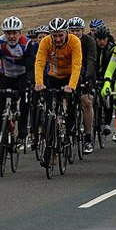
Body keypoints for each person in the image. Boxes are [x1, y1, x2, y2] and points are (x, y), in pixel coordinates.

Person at [0, 16, 37, 164]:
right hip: (6, 76)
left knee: (25, 98)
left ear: (20, 32)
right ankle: (1, 146)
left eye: (15, 33)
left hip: (22, 76)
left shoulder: (26, 44)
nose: (12, 36)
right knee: (1, 111)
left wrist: (29, 82)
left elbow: (30, 66)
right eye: (8, 33)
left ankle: (22, 128)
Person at [34, 17, 83, 167]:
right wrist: (39, 83)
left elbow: (77, 65)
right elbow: (40, 62)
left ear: (66, 32)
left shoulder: (74, 41)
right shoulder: (46, 42)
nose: (58, 38)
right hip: (53, 77)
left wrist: (72, 86)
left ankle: (70, 132)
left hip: (70, 78)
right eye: (54, 36)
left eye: (60, 35)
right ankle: (49, 153)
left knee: (71, 106)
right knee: (50, 113)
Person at [68, 16, 98, 154]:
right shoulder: (66, 41)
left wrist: (87, 78)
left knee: (86, 102)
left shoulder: (89, 41)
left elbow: (91, 60)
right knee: (68, 102)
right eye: (72, 30)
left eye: (77, 30)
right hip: (70, 75)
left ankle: (87, 138)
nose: (74, 33)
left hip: (86, 74)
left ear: (83, 30)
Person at [93, 24, 116, 135]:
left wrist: (111, 79)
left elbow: (114, 66)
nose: (102, 42)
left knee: (109, 98)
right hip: (96, 76)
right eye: (99, 39)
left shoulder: (112, 48)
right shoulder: (93, 48)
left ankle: (107, 122)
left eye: (104, 39)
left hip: (109, 76)